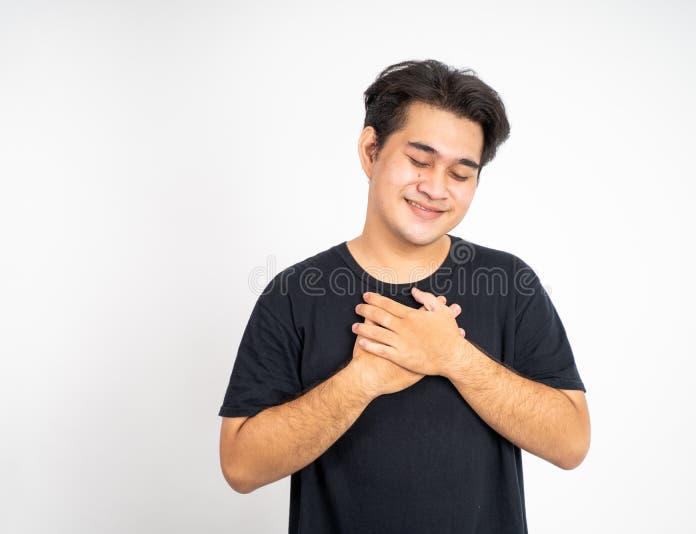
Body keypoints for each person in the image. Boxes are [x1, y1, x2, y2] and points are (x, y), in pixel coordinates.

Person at [218, 59, 590, 534]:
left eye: (460, 173)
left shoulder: (510, 283)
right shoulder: (293, 294)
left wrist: (453, 357)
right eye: (419, 161)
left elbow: (571, 442)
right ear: (371, 151)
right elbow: (240, 466)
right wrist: (362, 380)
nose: (435, 189)